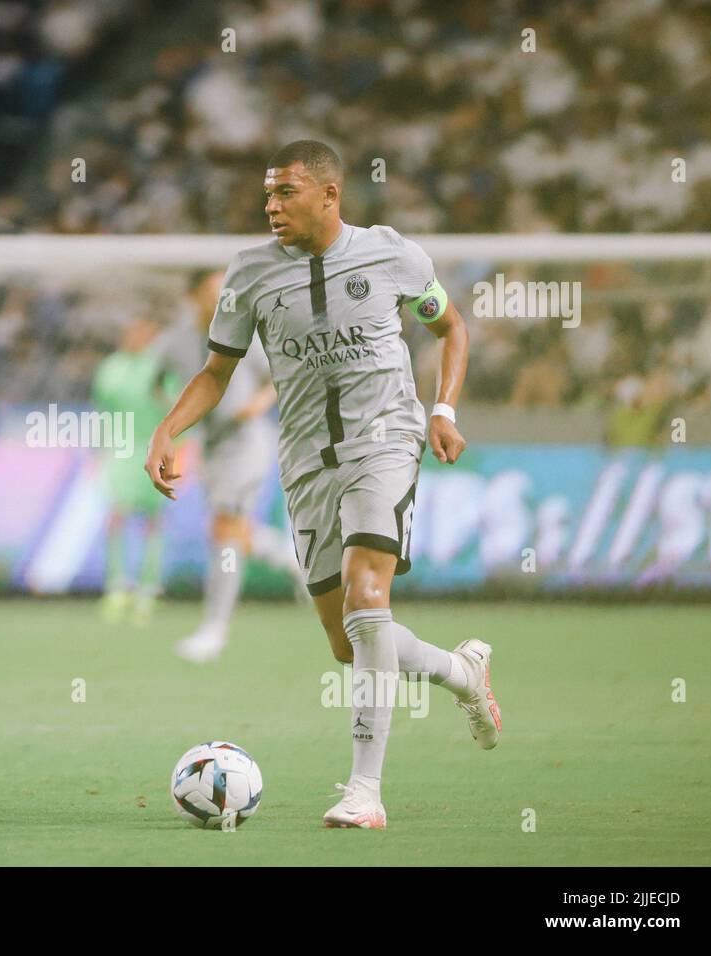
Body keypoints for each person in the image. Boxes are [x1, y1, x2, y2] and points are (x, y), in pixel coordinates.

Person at [145, 140, 501, 829]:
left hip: (386, 441)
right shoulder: (248, 274)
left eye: (287, 193)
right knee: (348, 641)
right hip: (305, 459)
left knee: (371, 598)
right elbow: (218, 371)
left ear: (331, 194)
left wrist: (443, 409)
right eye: (268, 196)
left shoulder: (392, 253)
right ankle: (461, 673)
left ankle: (364, 792)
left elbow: (451, 328)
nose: (272, 206)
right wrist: (169, 429)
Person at [150, 269, 304, 663]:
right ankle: (294, 560)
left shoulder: (242, 335)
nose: (222, 299)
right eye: (213, 292)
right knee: (230, 530)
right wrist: (173, 421)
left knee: (223, 529)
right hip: (212, 445)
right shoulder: (175, 341)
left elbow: (279, 378)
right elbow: (156, 381)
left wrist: (258, 404)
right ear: (194, 298)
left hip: (247, 441)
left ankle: (215, 630)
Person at [93, 317, 173, 624]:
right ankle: (117, 587)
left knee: (154, 520)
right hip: (120, 449)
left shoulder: (161, 368)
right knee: (117, 515)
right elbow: (102, 411)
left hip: (153, 448)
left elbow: (176, 408)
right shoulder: (110, 368)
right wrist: (98, 452)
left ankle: (148, 590)